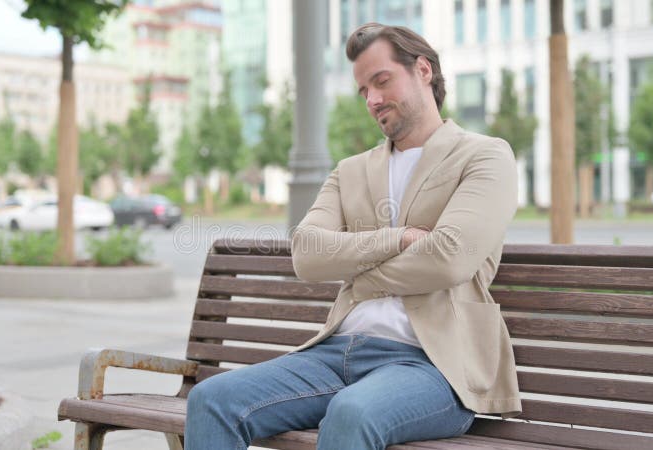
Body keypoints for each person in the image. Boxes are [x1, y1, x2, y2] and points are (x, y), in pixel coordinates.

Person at [185, 23, 521, 450]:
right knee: (212, 399)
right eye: (364, 90)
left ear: (423, 70)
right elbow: (307, 255)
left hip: (434, 366)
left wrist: (359, 278)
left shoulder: (485, 155)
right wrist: (395, 239)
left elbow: (450, 257)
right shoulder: (351, 171)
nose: (373, 100)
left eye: (381, 81)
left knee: (351, 413)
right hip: (335, 353)